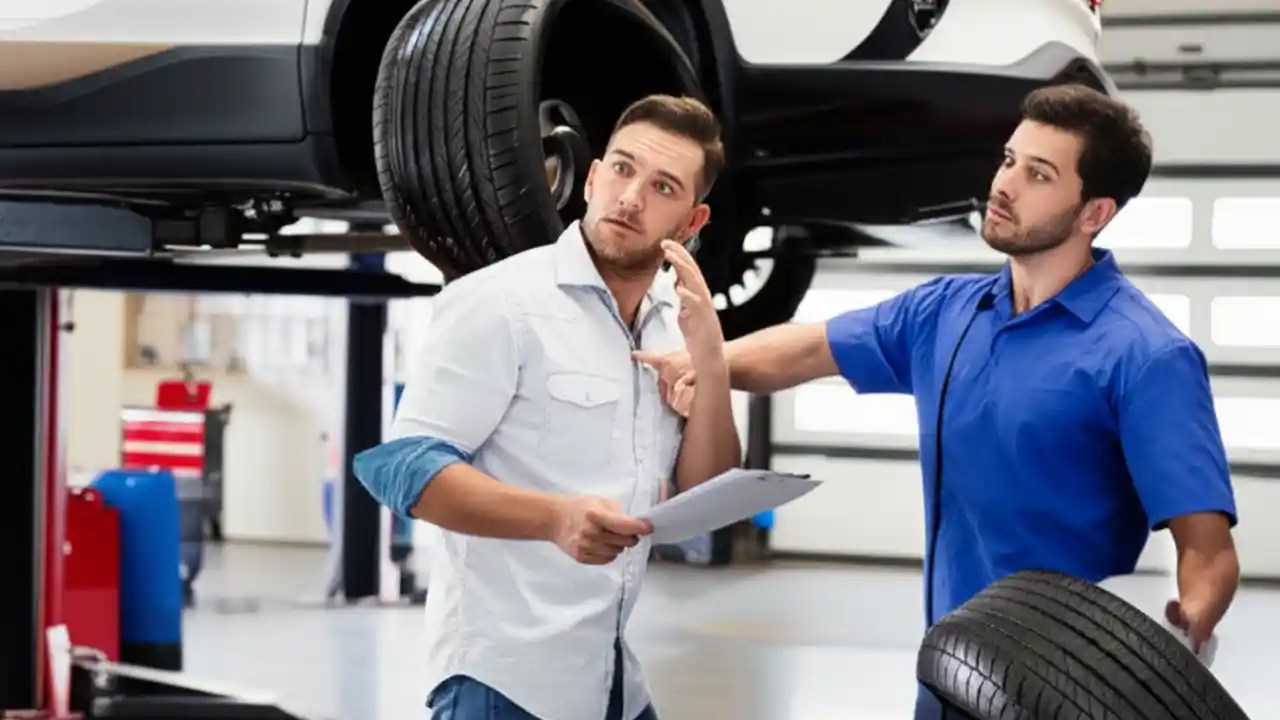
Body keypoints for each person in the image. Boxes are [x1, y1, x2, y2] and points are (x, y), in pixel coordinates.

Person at [641, 83, 1241, 717]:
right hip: (950, 681)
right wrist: (698, 362)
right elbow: (808, 349)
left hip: (1067, 695)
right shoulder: (945, 311)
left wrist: (1181, 635)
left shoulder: (1145, 355)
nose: (1005, 184)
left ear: (1094, 213)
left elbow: (1207, 548)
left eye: (1038, 174)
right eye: (1009, 160)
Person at [352, 94, 741, 720]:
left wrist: (712, 362)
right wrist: (553, 518)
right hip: (503, 682)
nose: (631, 197)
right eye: (621, 168)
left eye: (662, 186)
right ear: (590, 178)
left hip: (613, 677)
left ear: (691, 223)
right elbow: (402, 469)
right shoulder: (500, 302)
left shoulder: (677, 324)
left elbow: (707, 492)